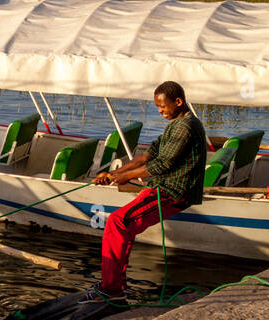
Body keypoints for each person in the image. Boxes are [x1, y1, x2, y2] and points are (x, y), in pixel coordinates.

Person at [88, 80, 207, 302]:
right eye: (158, 108)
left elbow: (163, 165)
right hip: (162, 188)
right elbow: (148, 155)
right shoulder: (176, 123)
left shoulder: (186, 126)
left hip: (174, 191)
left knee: (117, 222)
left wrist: (123, 177)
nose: (161, 111)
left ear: (178, 102)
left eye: (163, 107)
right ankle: (114, 285)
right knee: (123, 226)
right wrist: (114, 173)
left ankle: (111, 290)